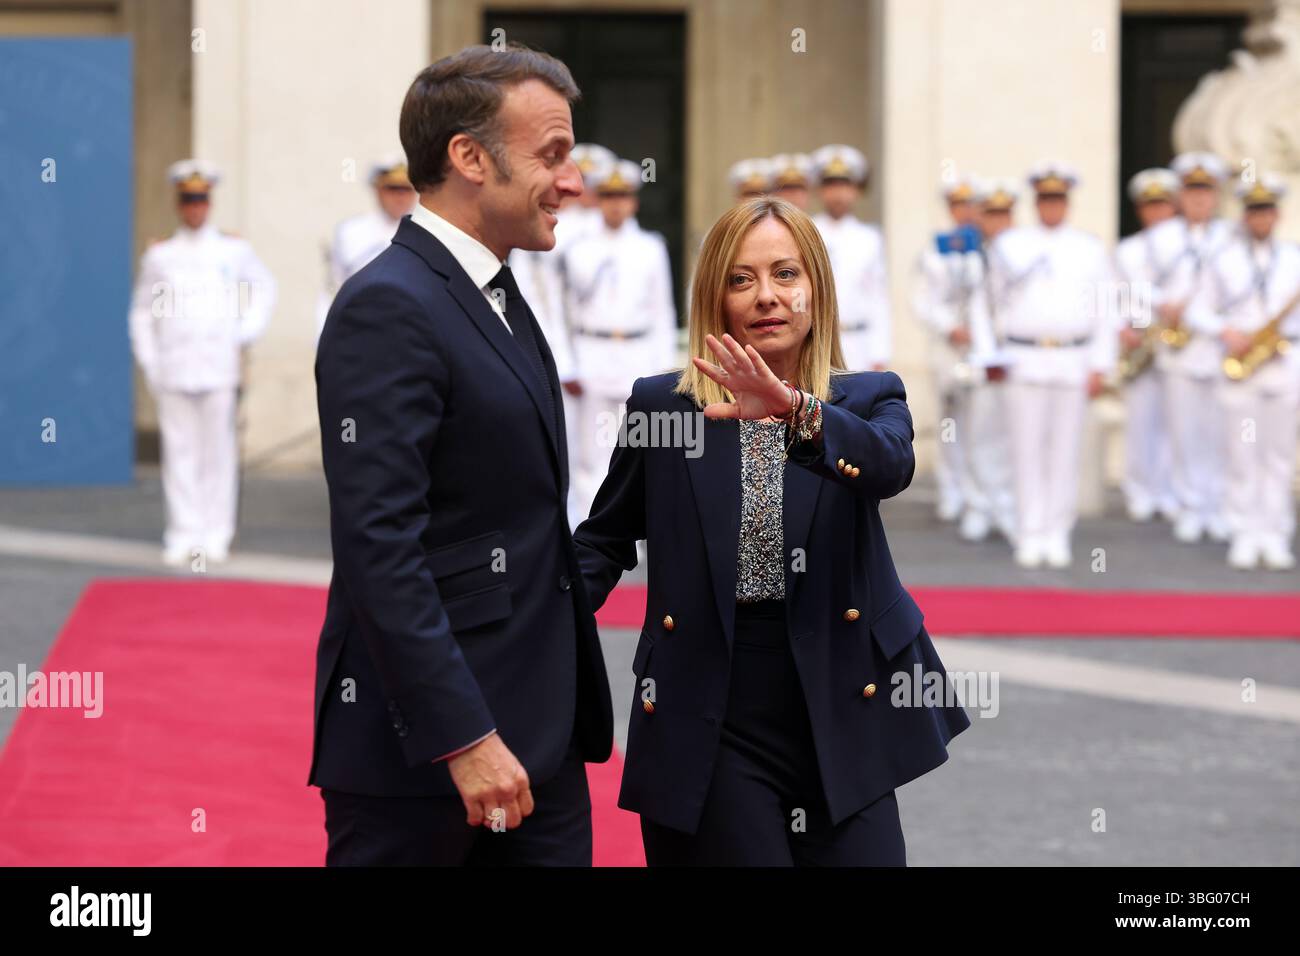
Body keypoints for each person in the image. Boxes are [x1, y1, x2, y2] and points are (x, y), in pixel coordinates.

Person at [572, 196, 970, 866]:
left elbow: (888, 466)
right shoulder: (662, 406)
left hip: (841, 697)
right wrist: (522, 633)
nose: (766, 297)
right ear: (715, 297)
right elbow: (604, 542)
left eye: (786, 274)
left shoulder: (868, 397)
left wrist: (794, 411)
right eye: (741, 279)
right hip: (712, 709)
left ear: (816, 288)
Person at [310, 44, 614, 866]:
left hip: (533, 744)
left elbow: (515, 520)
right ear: (470, 158)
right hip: (432, 768)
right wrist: (464, 738)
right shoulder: (389, 305)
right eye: (553, 155)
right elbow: (380, 548)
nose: (575, 181)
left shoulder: (497, 288)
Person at [128, 159, 276, 566]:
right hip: (175, 365)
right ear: (179, 204)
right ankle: (182, 532)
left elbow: (264, 289)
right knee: (179, 453)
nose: (195, 208)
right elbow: (142, 312)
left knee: (218, 452)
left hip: (218, 364)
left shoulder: (233, 249)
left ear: (209, 202)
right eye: (188, 201)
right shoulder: (161, 255)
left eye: (201, 200)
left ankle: (216, 531)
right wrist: (150, 362)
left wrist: (244, 332)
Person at [986, 162, 1115, 569]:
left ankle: (1057, 531)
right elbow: (986, 305)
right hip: (1023, 356)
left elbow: (1105, 309)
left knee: (1064, 451)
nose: (1051, 207)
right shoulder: (1009, 245)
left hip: (1073, 357)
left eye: (1058, 199)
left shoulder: (1089, 248)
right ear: (1035, 202)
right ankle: (1029, 530)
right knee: (1025, 449)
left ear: (1068, 202)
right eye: (1045, 199)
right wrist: (993, 354)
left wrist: (1101, 364)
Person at [1184, 174, 1300, 570]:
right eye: (1254, 211)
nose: (1261, 218)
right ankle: (1244, 531)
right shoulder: (1225, 260)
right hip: (1241, 369)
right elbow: (1198, 310)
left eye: (1267, 210)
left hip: (1282, 366)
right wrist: (1225, 332)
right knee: (1241, 453)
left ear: (1277, 215)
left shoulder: (1294, 258)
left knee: (1279, 455)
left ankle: (1275, 532)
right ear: (1245, 216)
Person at [563, 158, 678, 526]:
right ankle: (590, 529)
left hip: (638, 353)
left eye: (623, 195)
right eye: (609, 195)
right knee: (592, 453)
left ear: (634, 201)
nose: (616, 203)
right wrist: (569, 363)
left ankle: (638, 532)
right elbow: (564, 312)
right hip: (592, 352)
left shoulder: (650, 246)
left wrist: (663, 368)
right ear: (598, 199)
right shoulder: (577, 247)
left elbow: (663, 311)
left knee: (644, 444)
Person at [1149, 152, 1234, 544]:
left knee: (1220, 432)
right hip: (1178, 346)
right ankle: (1188, 504)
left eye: (1206, 192)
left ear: (1216, 196)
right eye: (1192, 192)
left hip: (1219, 347)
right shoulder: (1161, 237)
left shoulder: (1232, 237)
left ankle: (1216, 505)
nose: (1199, 200)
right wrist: (1161, 302)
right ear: (1181, 196)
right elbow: (1134, 284)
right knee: (1182, 431)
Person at [911, 174, 989, 530]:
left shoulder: (987, 248)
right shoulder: (933, 250)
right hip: (948, 345)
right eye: (958, 205)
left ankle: (977, 493)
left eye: (969, 205)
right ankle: (951, 490)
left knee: (979, 419)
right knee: (948, 420)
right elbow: (921, 299)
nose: (964, 212)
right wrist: (948, 326)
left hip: (979, 345)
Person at [1114, 168, 1180, 523]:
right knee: (1141, 421)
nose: (1156, 212)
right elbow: (1113, 295)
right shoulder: (1128, 250)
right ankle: (1140, 490)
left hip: (1177, 343)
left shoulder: (1189, 247)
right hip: (1141, 340)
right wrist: (1123, 329)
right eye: (1149, 205)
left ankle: (1169, 491)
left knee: (1175, 423)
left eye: (1162, 205)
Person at [314, 153, 417, 343]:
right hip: (359, 334)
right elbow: (332, 288)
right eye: (393, 188)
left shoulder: (426, 231)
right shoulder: (351, 232)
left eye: (407, 189)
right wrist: (324, 339)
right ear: (377, 189)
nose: (401, 196)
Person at [811, 144, 891, 371]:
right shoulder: (807, 230)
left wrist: (880, 351)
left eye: (845, 185)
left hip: (860, 342)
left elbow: (877, 296)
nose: (838, 193)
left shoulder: (869, 238)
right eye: (831, 185)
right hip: (819, 341)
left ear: (856, 190)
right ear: (820, 190)